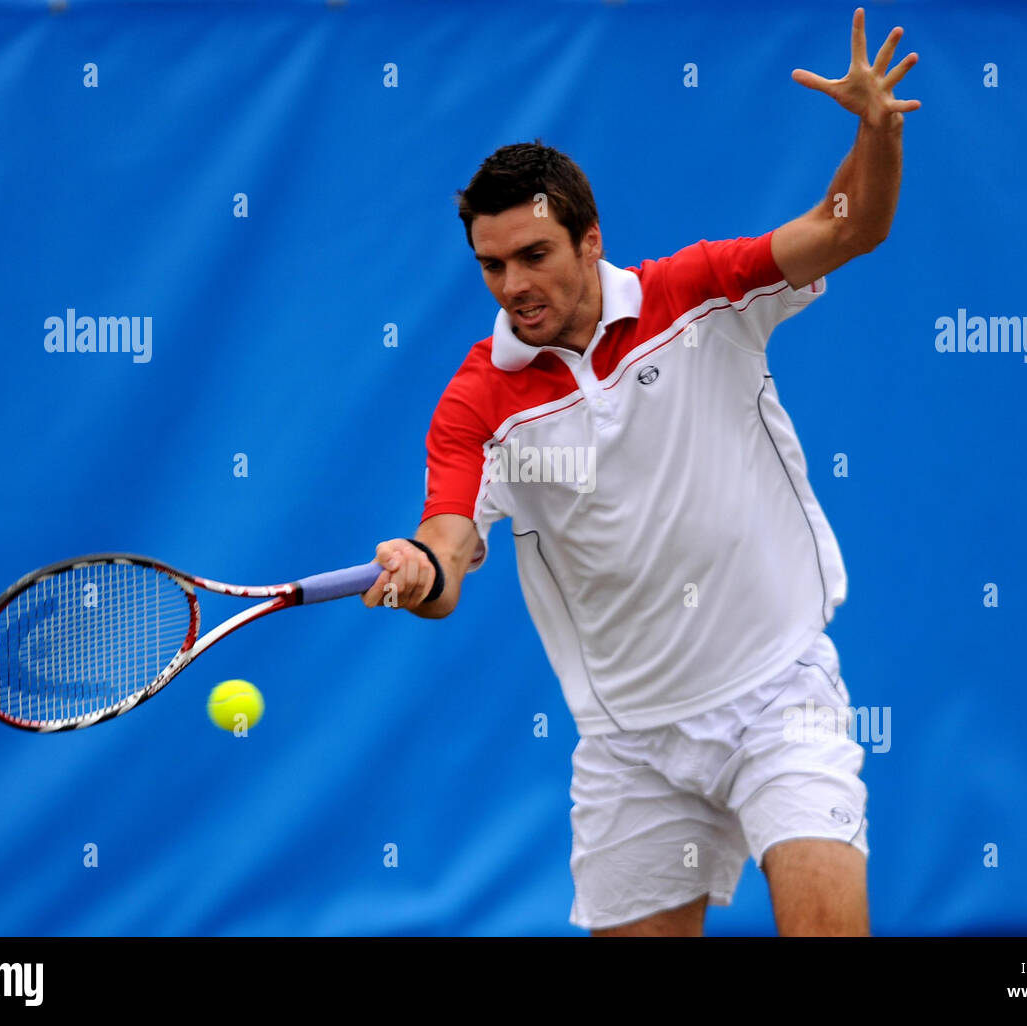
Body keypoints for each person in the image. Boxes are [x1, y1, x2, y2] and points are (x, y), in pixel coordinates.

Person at [361, 7, 919, 937]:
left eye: (534, 255)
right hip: (630, 741)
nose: (514, 286)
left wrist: (877, 131)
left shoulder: (697, 293)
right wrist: (421, 568)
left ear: (589, 242)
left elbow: (845, 229)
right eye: (492, 267)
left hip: (776, 692)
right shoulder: (476, 403)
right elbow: (452, 541)